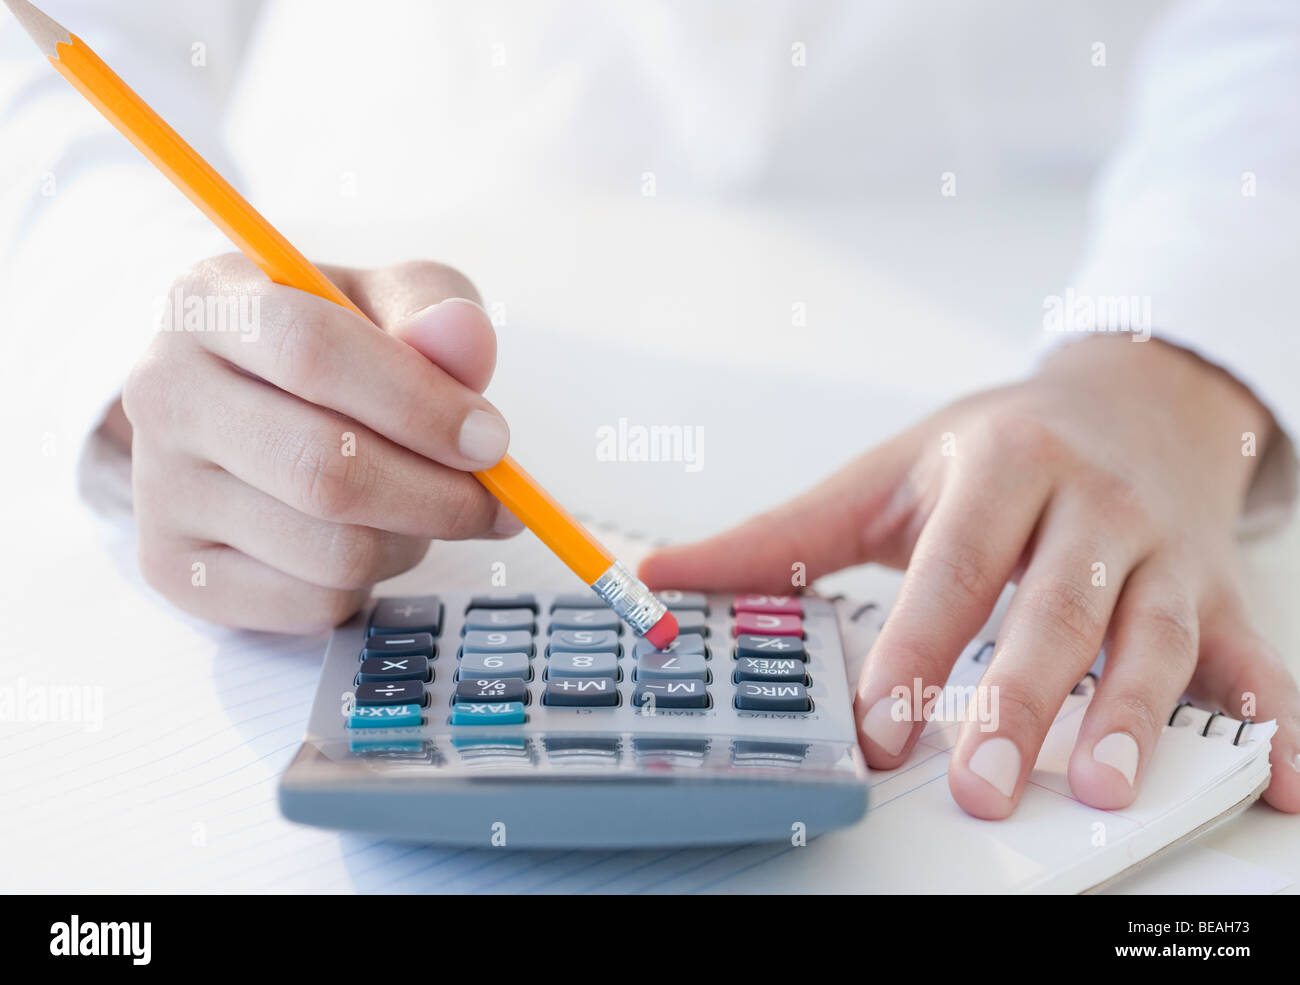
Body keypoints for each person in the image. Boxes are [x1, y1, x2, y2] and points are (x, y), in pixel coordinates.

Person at [2, 0, 1297, 820]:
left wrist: (1177, 360)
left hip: (1063, 276)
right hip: (426, 317)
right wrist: (148, 315)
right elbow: (59, 45)